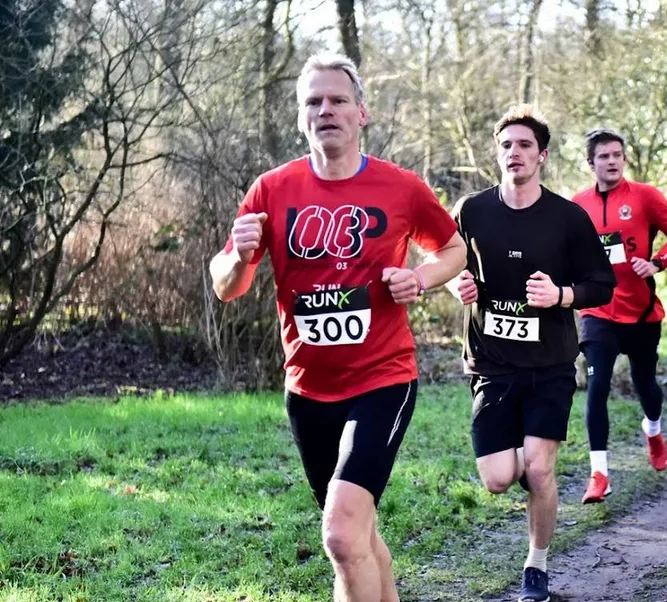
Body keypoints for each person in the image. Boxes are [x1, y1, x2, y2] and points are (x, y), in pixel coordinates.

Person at [209, 52, 467, 602]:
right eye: (313, 102)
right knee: (358, 534)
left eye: (337, 100)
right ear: (301, 117)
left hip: (382, 379)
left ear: (361, 113)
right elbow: (225, 284)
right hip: (308, 390)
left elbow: (453, 250)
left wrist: (419, 278)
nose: (326, 110)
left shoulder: (401, 188)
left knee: (340, 533)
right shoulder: (271, 190)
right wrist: (238, 258)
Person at [446, 105, 616, 602]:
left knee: (540, 469)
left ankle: (535, 568)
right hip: (492, 363)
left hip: (550, 364)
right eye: (506, 145)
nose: (513, 153)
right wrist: (459, 284)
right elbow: (445, 262)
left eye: (524, 145)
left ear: (541, 156)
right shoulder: (471, 210)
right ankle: (530, 473)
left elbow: (601, 286)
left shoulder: (568, 218)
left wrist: (561, 295)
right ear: (496, 154)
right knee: (500, 479)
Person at [571, 128, 667, 503]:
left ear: (624, 159)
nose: (612, 161)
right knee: (597, 387)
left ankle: (653, 429)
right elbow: (564, 251)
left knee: (646, 387)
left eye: (617, 155)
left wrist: (656, 263)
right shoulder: (577, 205)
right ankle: (599, 474)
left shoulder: (645, 196)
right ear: (591, 163)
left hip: (641, 313)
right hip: (598, 312)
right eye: (604, 156)